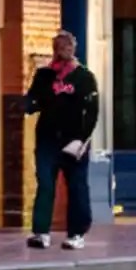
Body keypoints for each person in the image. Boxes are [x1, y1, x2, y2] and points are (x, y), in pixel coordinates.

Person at [24, 31, 99, 250]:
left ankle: (77, 233)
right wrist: (26, 105)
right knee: (45, 183)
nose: (63, 51)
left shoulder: (84, 77)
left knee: (76, 186)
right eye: (59, 47)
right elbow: (34, 99)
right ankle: (40, 232)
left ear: (73, 49)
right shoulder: (44, 75)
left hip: (74, 140)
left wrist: (82, 139)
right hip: (48, 138)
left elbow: (92, 111)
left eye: (67, 47)